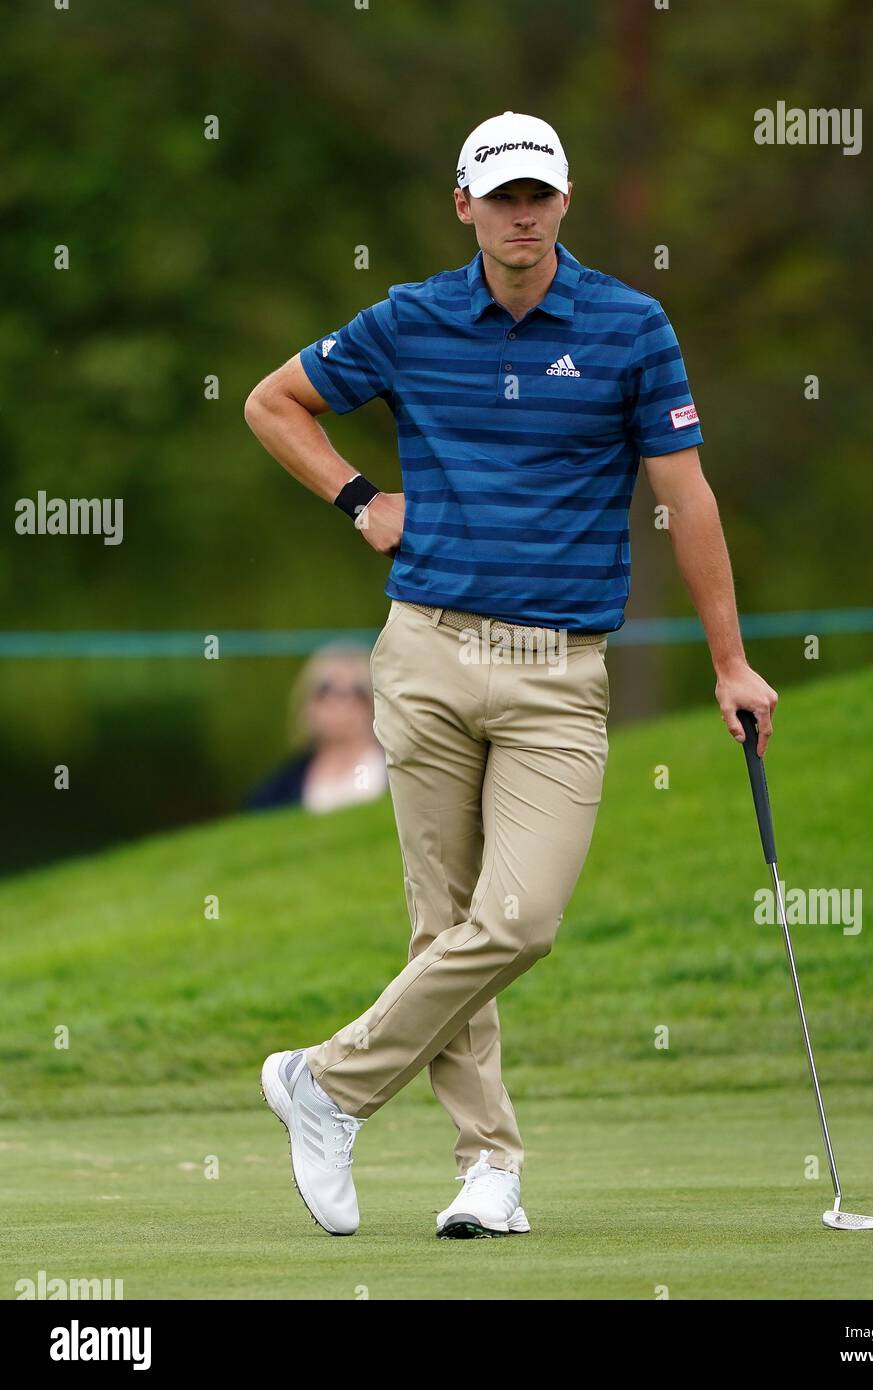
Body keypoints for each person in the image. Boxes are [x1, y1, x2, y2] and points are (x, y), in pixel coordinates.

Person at [244, 110, 778, 1239]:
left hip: (557, 670)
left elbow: (685, 497)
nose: (520, 213)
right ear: (465, 207)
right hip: (426, 649)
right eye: (501, 196)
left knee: (519, 918)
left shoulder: (631, 327)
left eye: (538, 193)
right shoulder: (412, 319)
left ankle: (328, 1084)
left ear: (564, 202)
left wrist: (728, 660)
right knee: (441, 921)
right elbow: (270, 401)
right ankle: (487, 1169)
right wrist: (356, 498)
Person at [243, 643, 388, 814]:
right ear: (308, 702)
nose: (338, 703)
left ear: (373, 702)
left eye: (355, 691)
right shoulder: (285, 783)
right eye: (325, 690)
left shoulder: (397, 766)